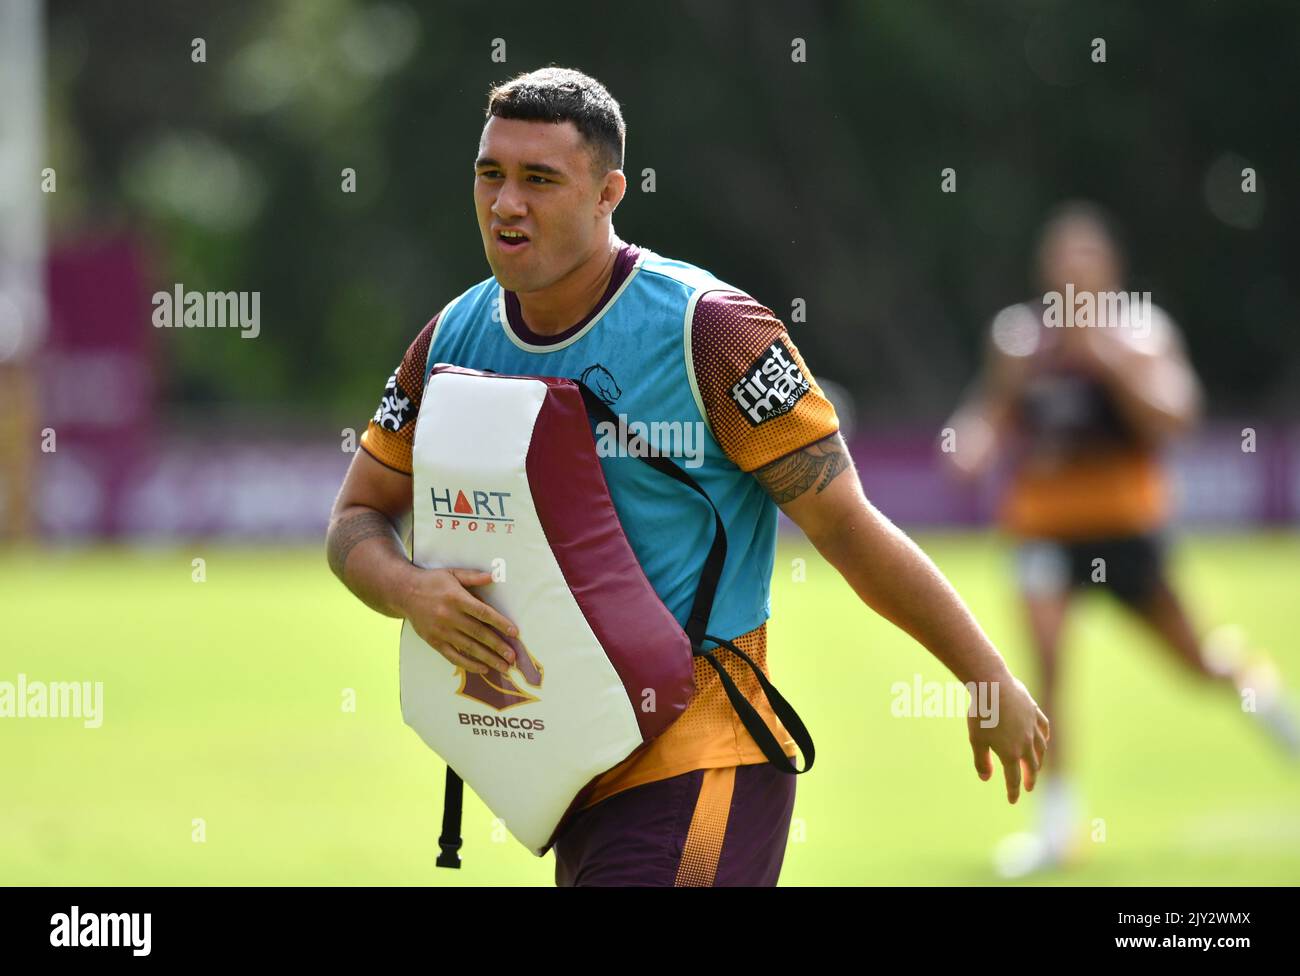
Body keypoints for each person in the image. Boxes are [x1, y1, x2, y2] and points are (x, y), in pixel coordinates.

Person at [326, 65, 1048, 887]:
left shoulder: (712, 332)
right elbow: (356, 517)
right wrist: (409, 591)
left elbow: (847, 525)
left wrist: (985, 677)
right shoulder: (452, 337)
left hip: (700, 761)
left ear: (608, 194)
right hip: (564, 772)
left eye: (539, 180)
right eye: (490, 174)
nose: (506, 203)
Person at [945, 201, 1300, 877]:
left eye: (1086, 260)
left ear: (1110, 269)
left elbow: (1178, 417)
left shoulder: (1141, 335)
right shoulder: (1020, 341)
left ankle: (1262, 694)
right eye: (1061, 260)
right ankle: (1057, 828)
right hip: (1045, 530)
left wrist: (1105, 359)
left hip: (1125, 531)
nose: (1072, 274)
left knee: (1197, 662)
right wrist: (968, 446)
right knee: (1046, 663)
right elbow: (989, 415)